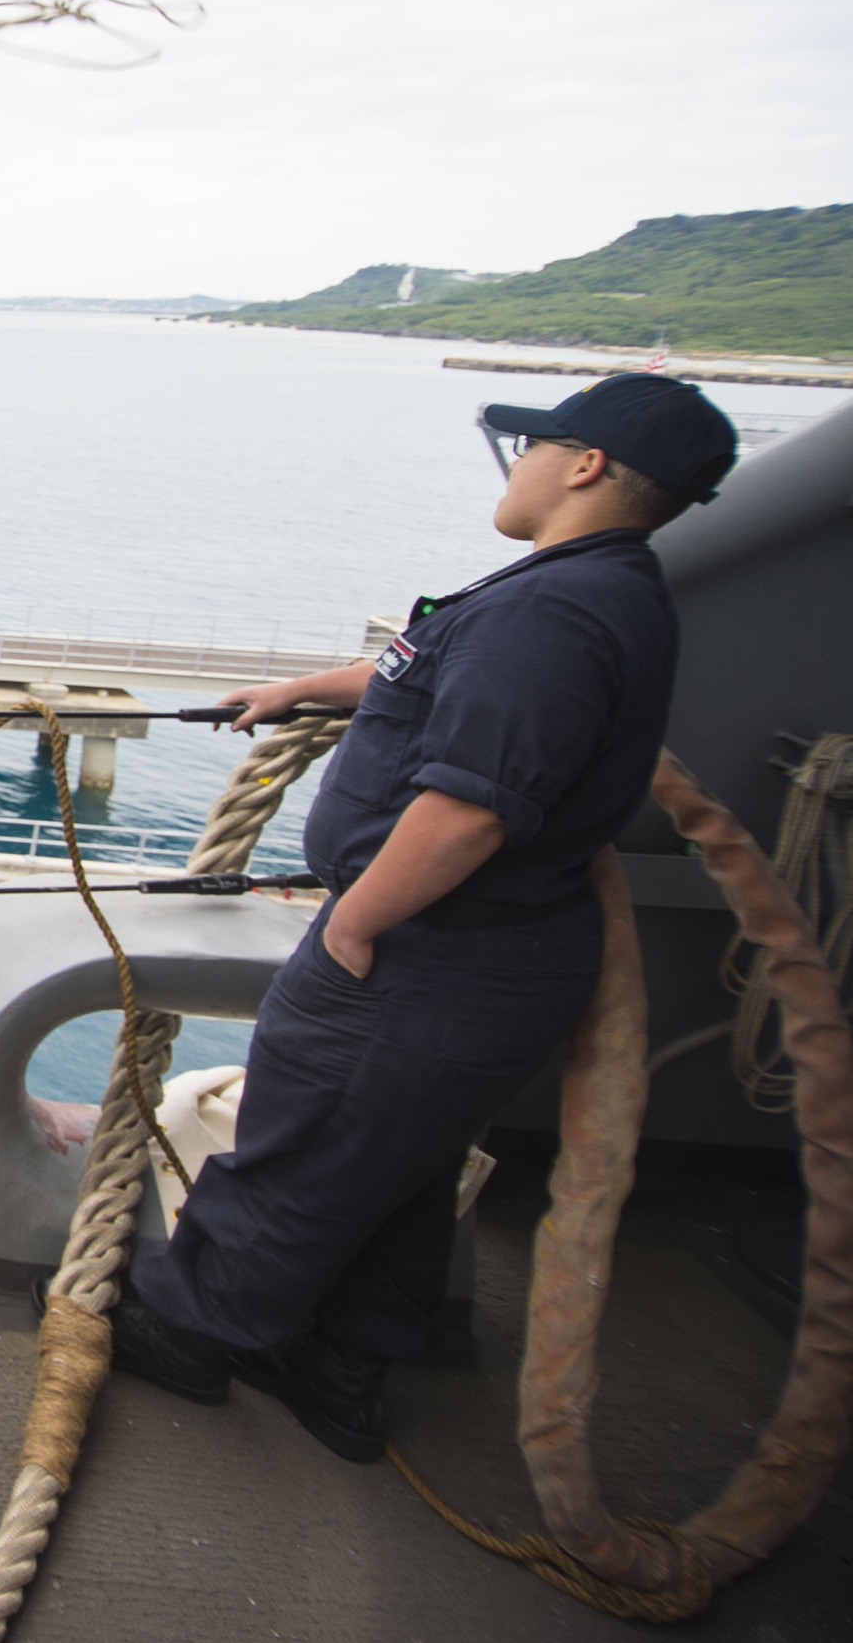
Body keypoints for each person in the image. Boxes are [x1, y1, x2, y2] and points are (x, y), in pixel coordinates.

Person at [114, 372, 739, 1463]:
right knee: (399, 1163)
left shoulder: (553, 610)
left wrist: (356, 921)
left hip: (429, 946)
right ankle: (343, 1371)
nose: (524, 460)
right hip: (494, 953)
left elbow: (468, 809)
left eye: (540, 443)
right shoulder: (600, 586)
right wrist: (313, 684)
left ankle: (184, 1328)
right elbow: (440, 672)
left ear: (584, 463)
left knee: (300, 1147)